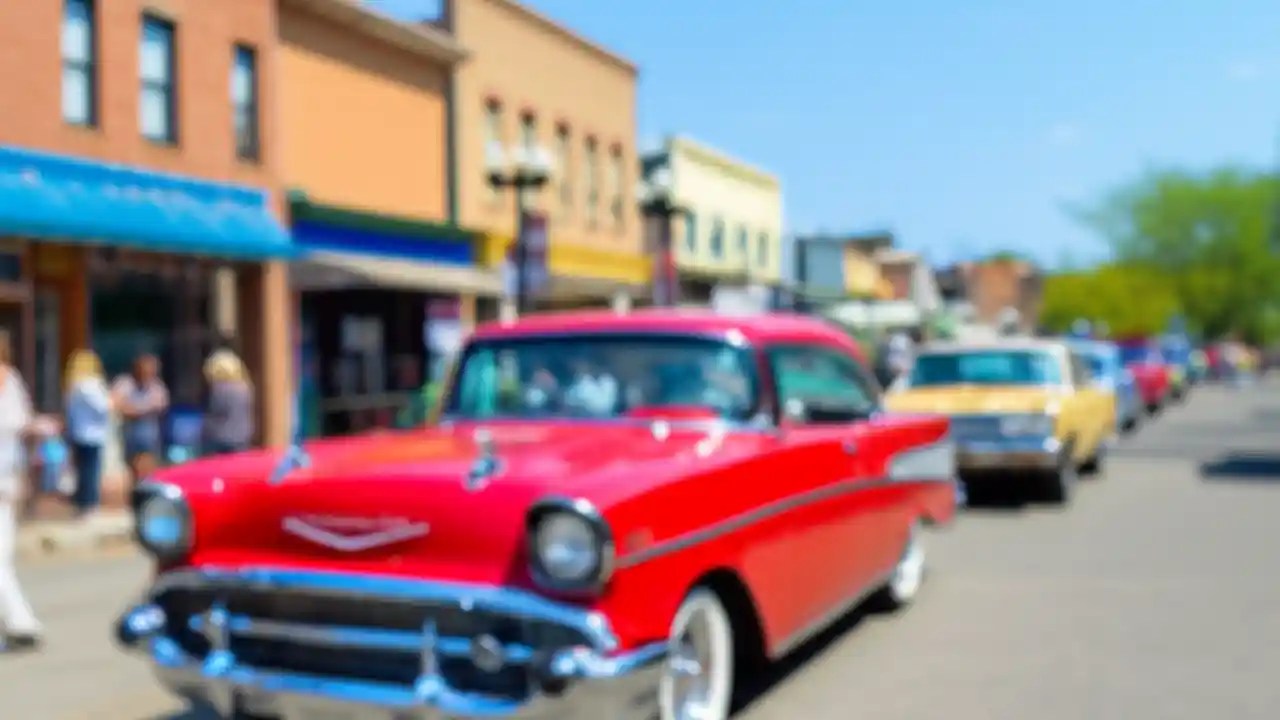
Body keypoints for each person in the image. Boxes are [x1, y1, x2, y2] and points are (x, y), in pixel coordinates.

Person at [0, 331, 42, 650]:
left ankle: (21, 621)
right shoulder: (12, 381)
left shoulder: (12, 381)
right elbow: (25, 425)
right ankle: (18, 621)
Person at [64, 350, 111, 517]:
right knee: (91, 471)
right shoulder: (89, 385)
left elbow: (69, 413)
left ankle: (82, 504)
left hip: (78, 433)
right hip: (93, 434)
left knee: (82, 471)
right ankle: (89, 504)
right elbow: (103, 407)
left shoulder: (73, 386)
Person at [112, 353, 170, 484]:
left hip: (149, 433)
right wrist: (144, 409)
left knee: (148, 463)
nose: (149, 374)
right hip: (129, 433)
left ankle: (146, 488)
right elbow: (117, 405)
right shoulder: (124, 383)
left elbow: (161, 405)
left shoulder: (156, 386)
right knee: (132, 464)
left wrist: (135, 409)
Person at [202, 349, 254, 455]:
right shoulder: (245, 386)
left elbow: (216, 413)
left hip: (223, 439)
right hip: (243, 435)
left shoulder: (220, 388)